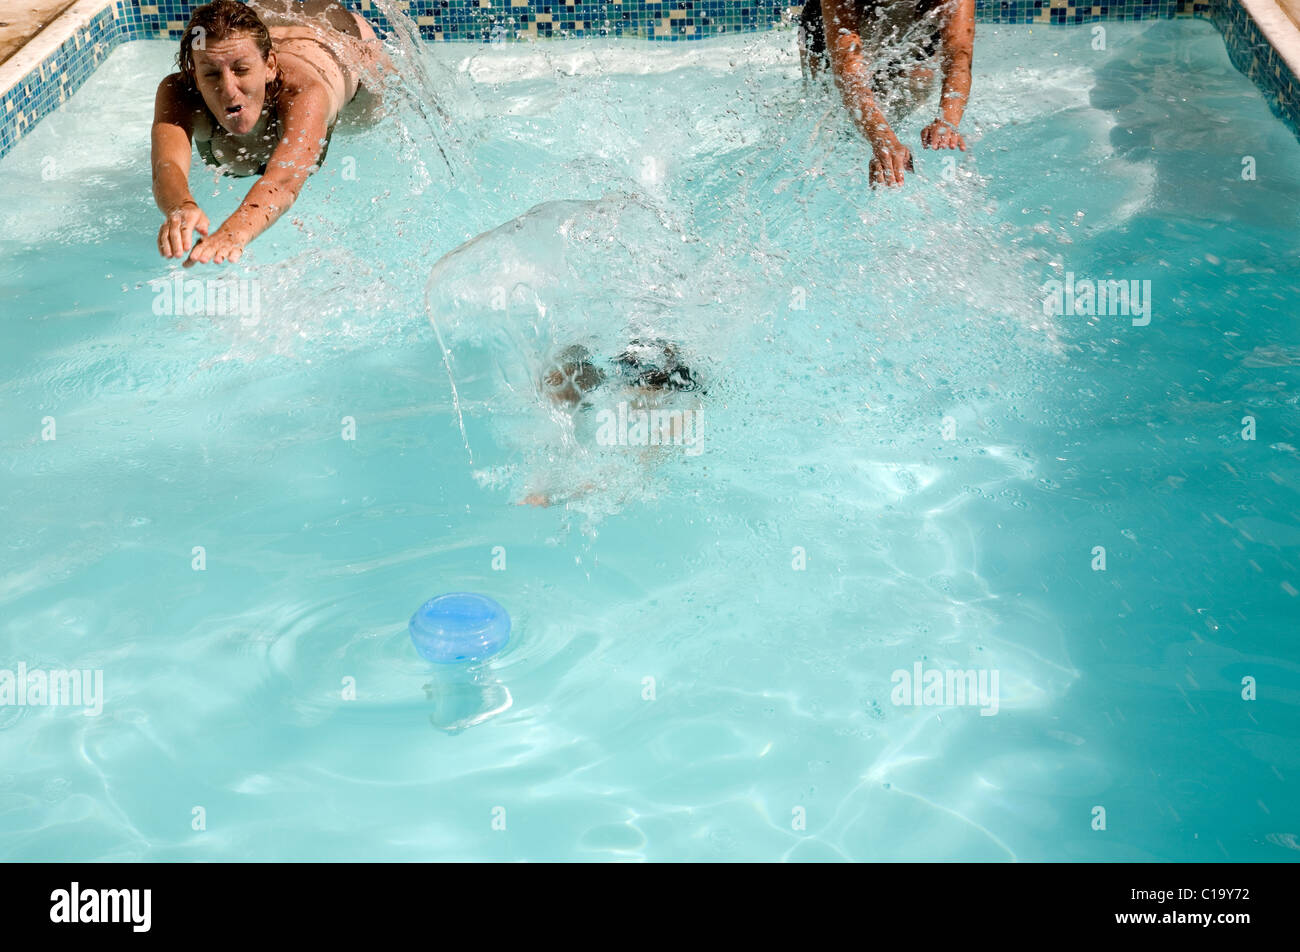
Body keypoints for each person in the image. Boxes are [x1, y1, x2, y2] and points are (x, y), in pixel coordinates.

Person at [151, 0, 389, 266]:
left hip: (337, 37)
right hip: (268, 25)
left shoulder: (303, 93)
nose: (229, 89)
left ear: (270, 67)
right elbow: (166, 165)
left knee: (371, 119)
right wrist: (180, 205)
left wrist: (234, 232)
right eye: (211, 74)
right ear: (194, 76)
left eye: (241, 70)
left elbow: (284, 180)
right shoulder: (182, 93)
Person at [798, 0, 974, 187]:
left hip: (915, 21)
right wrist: (880, 137)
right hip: (829, 23)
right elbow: (849, 76)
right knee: (827, 112)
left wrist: (947, 121)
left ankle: (888, 155)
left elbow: (959, 58)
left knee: (914, 87)